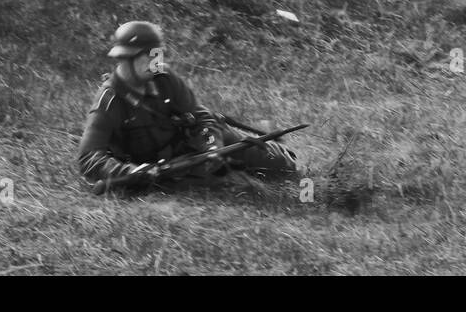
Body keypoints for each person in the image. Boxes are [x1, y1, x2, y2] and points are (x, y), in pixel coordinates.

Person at [76, 22, 299, 191]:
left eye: (157, 55)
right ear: (127, 59)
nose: (156, 63)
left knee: (278, 164)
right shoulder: (109, 100)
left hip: (197, 146)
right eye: (149, 57)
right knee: (241, 187)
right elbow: (88, 158)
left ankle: (286, 158)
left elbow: (202, 117)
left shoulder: (164, 78)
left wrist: (211, 146)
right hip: (165, 168)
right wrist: (130, 172)